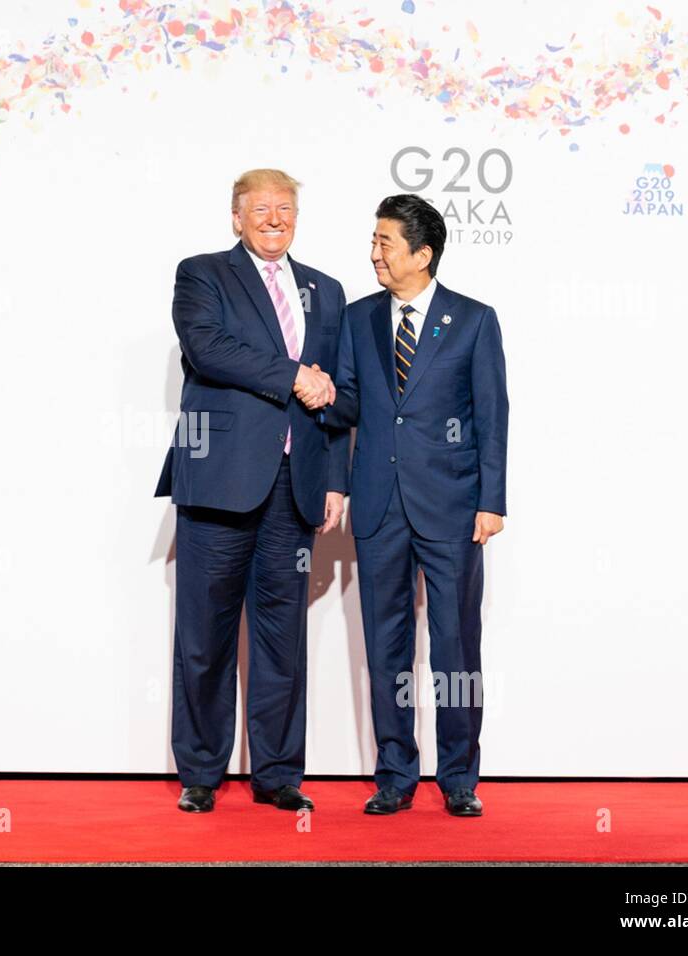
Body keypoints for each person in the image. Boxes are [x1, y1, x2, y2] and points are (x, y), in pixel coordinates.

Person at [154, 169, 349, 813]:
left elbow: (338, 392)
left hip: (296, 486)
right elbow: (209, 350)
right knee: (205, 635)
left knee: (281, 636)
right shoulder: (202, 273)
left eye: (286, 208)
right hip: (219, 481)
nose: (275, 219)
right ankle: (202, 773)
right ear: (236, 216)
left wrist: (334, 478)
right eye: (261, 208)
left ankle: (277, 773)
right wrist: (294, 375)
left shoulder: (327, 289)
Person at [324, 194, 509, 817]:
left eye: (385, 243)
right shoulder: (357, 319)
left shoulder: (475, 320)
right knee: (386, 646)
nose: (373, 252)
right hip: (378, 506)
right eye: (373, 240)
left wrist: (492, 500)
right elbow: (347, 407)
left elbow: (492, 415)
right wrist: (316, 389)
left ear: (422, 254)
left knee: (456, 645)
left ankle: (459, 777)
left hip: (454, 508)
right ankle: (395, 775)